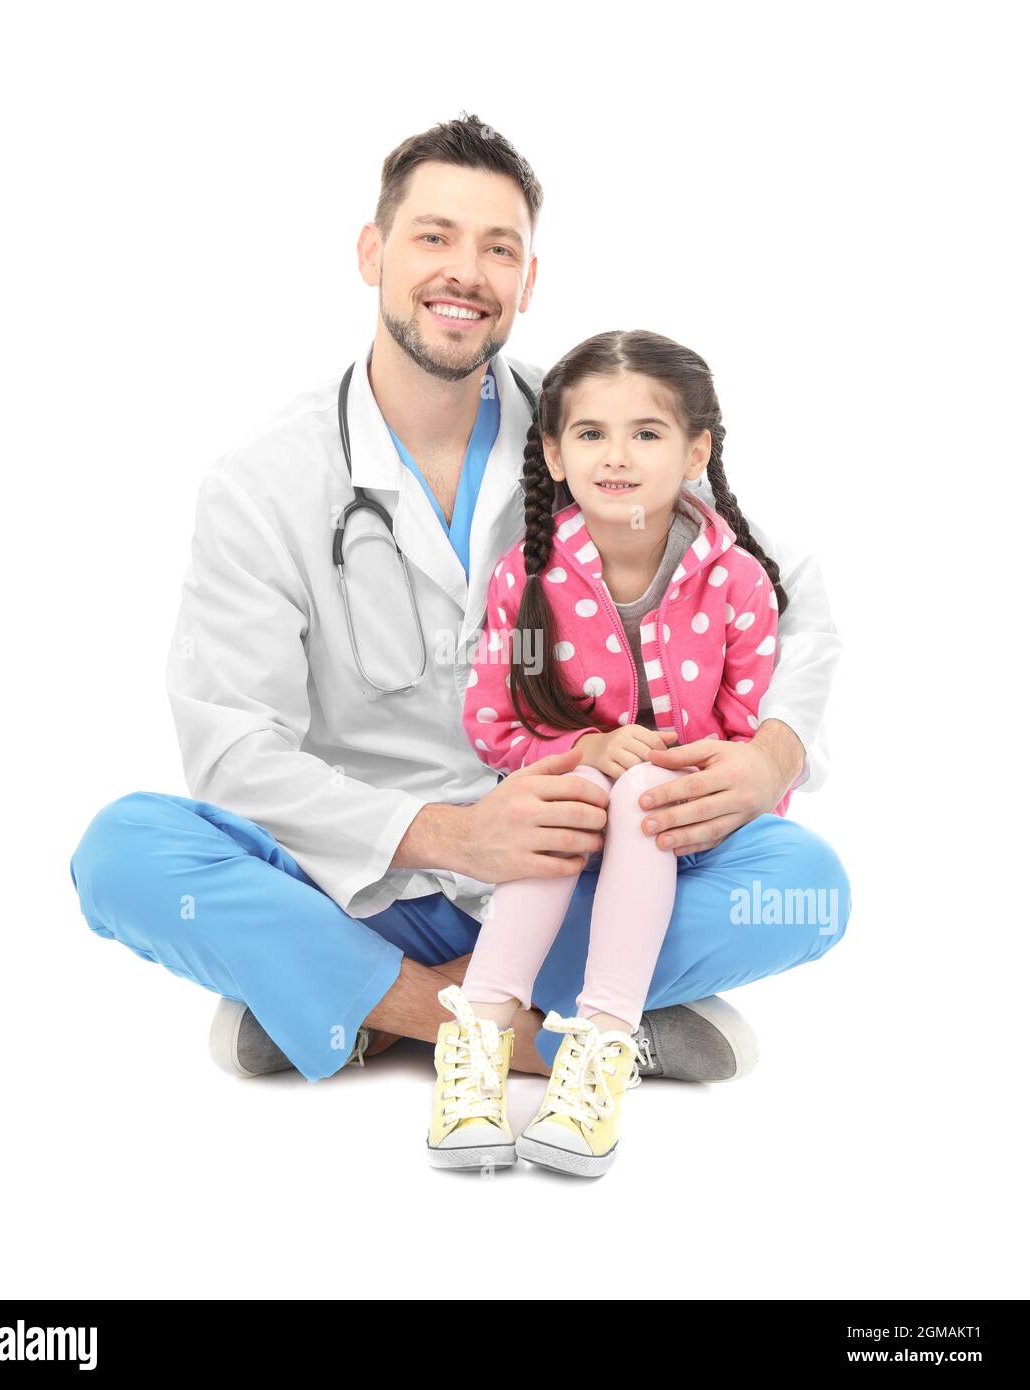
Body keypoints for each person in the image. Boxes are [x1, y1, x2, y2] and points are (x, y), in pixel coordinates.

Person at [68, 113, 850, 1102]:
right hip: (363, 885)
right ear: (373, 252)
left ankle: (331, 997)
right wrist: (452, 832)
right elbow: (232, 753)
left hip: (577, 878)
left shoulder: (591, 429)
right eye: (434, 236)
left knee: (804, 887)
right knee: (124, 854)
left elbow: (790, 587)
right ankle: (524, 1034)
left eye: (498, 247)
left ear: (529, 280)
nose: (464, 271)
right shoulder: (262, 482)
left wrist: (771, 754)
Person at [428, 329, 807, 1178]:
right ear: (555, 454)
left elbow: (747, 740)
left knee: (674, 806)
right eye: (591, 434)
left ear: (696, 449)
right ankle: (477, 1042)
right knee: (575, 789)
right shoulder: (526, 581)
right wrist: (585, 750)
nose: (618, 457)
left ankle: (599, 1051)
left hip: (680, 831)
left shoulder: (738, 580)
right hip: (562, 834)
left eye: (647, 433)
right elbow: (494, 727)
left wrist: (658, 773)